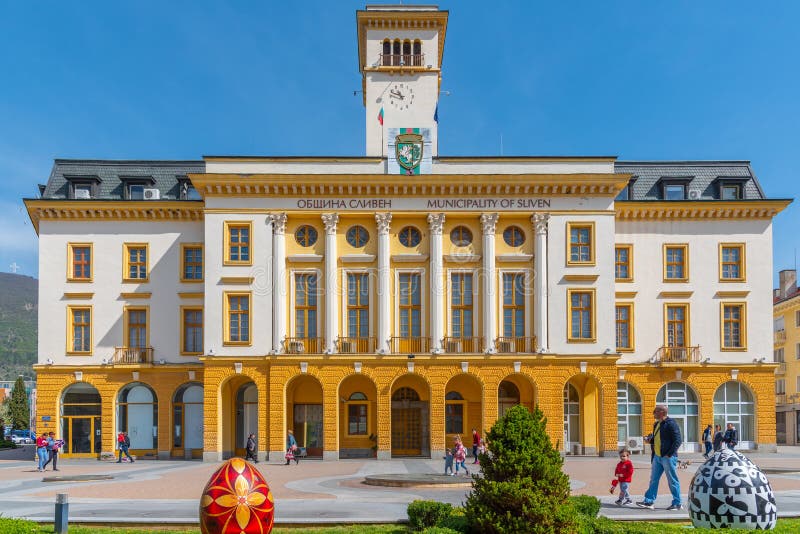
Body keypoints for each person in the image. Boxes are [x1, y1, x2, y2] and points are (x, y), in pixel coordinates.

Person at [636, 404, 682, 511]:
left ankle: (677, 503)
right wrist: (650, 440)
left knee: (672, 480)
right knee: (653, 479)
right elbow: (658, 438)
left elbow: (678, 440)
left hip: (668, 457)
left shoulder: (671, 424)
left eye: (655, 411)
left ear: (662, 412)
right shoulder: (657, 424)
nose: (653, 413)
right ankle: (649, 501)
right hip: (657, 456)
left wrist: (669, 454)